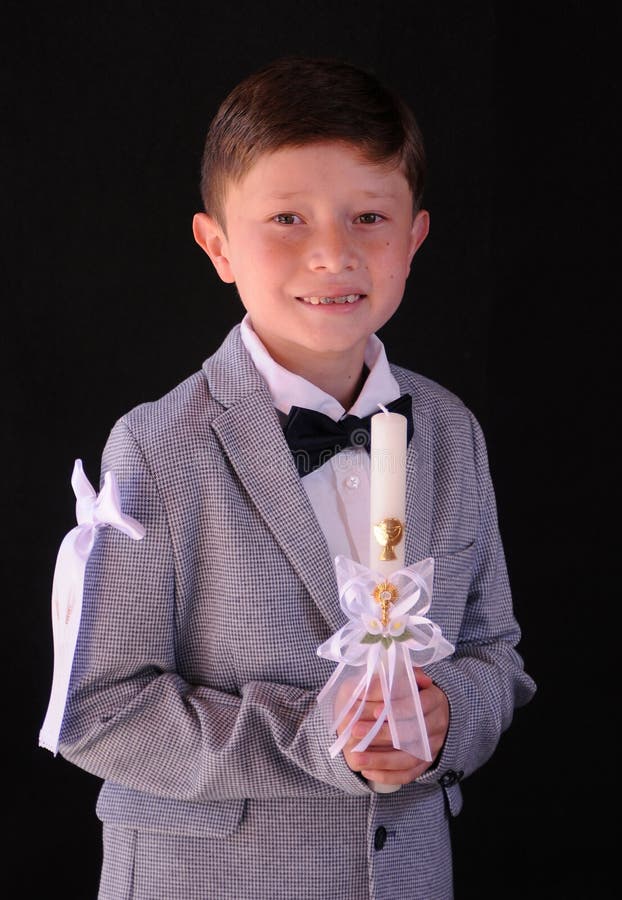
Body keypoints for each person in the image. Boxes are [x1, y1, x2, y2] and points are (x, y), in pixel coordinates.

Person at [53, 56, 536, 899]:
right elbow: (101, 713)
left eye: (368, 218)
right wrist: (320, 739)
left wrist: (449, 711)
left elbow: (495, 652)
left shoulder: (451, 431)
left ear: (413, 237)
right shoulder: (157, 447)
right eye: (286, 218)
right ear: (217, 246)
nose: (332, 254)